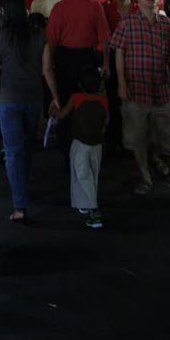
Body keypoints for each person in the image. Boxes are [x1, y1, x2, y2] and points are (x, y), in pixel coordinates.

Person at [0, 0, 59, 223]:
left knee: (12, 151)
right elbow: (47, 70)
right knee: (27, 146)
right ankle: (22, 186)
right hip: (34, 98)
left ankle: (19, 203)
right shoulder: (39, 35)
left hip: (7, 99)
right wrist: (56, 97)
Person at [110, 0, 170, 193]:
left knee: (163, 133)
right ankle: (145, 175)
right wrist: (121, 83)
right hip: (135, 88)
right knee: (137, 133)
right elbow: (118, 53)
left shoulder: (167, 24)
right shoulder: (127, 23)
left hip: (160, 87)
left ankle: (156, 157)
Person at [46, 0, 110, 164]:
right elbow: (105, 39)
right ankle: (90, 145)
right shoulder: (95, 6)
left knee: (66, 102)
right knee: (89, 102)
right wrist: (106, 63)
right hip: (88, 60)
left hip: (65, 60)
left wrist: (49, 66)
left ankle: (67, 150)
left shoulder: (59, 8)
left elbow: (51, 41)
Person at [54, 64, 108, 229]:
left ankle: (93, 210)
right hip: (97, 144)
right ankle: (86, 203)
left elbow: (62, 114)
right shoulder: (103, 101)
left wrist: (54, 112)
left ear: (80, 84)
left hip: (79, 144)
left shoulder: (76, 98)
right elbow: (106, 122)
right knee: (92, 174)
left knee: (81, 176)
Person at [102, 0, 137, 156]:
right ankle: (115, 138)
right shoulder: (107, 10)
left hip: (134, 61)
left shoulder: (138, 9)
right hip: (114, 59)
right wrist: (106, 64)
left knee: (133, 103)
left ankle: (131, 141)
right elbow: (105, 40)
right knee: (114, 101)